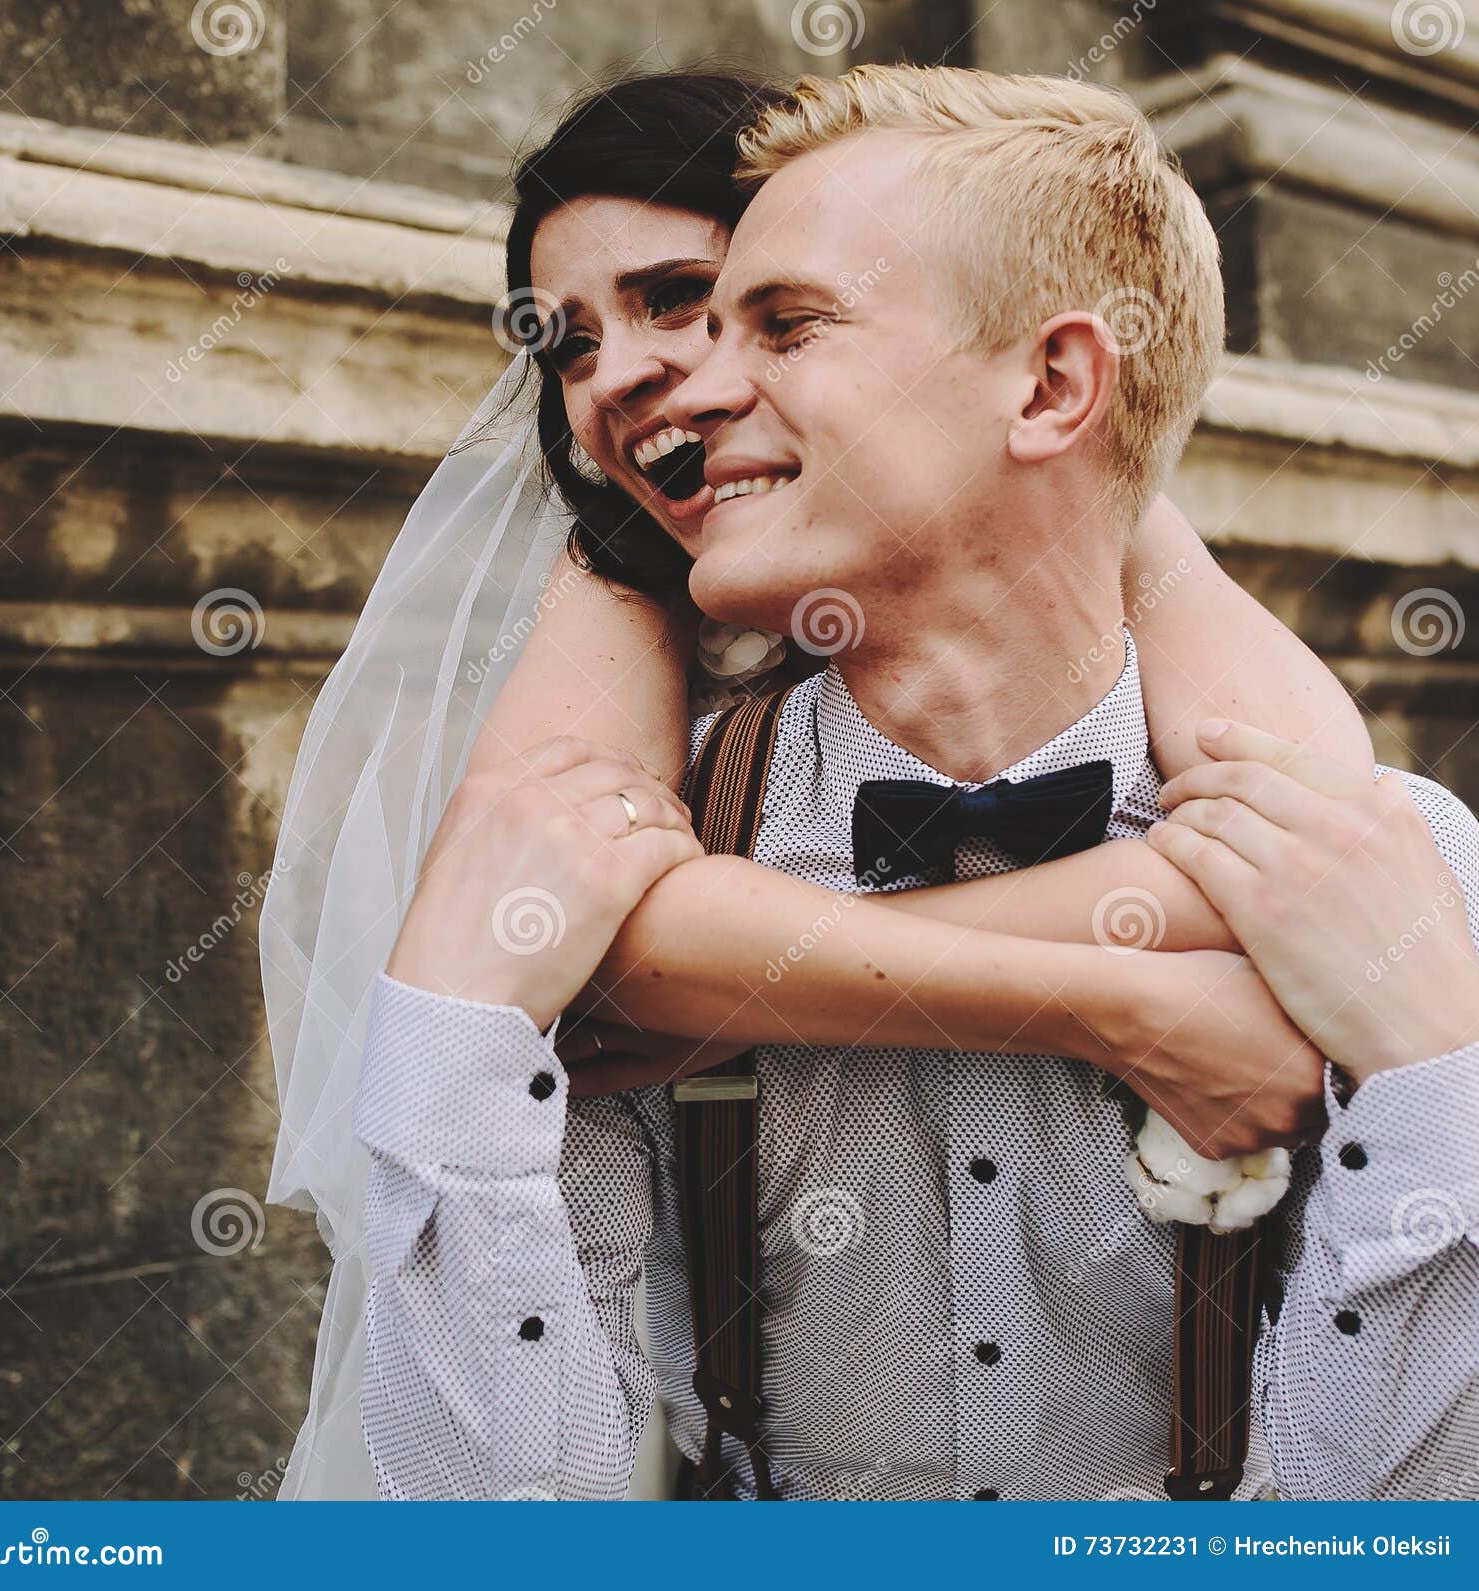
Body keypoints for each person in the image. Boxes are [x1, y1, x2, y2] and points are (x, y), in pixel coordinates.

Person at [256, 69, 1419, 1500]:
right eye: (566, 346)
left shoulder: (1305, 779)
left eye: (746, 311)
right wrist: (1130, 995)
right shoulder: (625, 716)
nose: (640, 378)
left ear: (1045, 380)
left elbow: (1326, 829)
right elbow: (493, 1505)